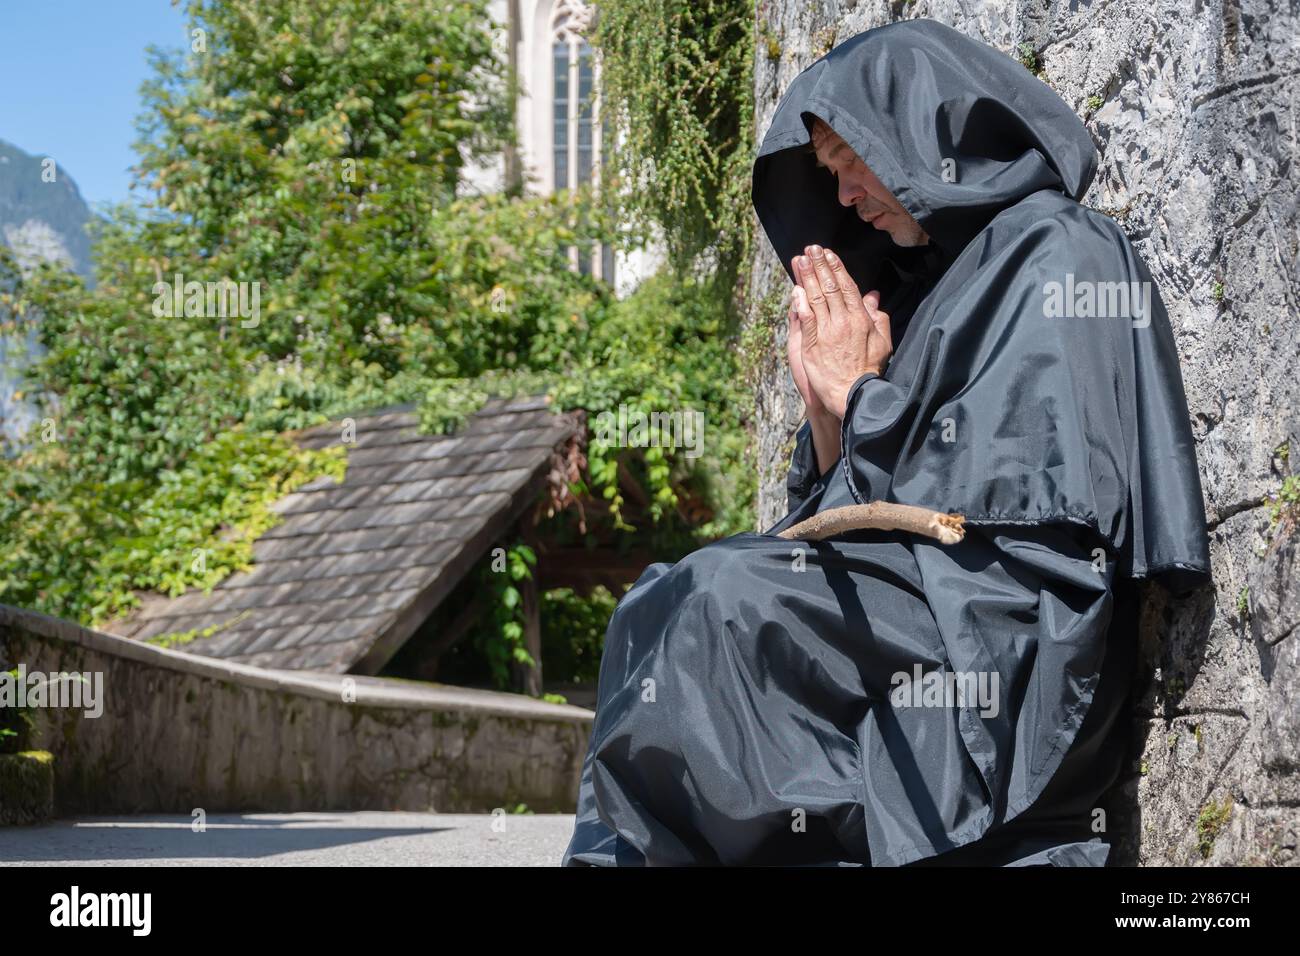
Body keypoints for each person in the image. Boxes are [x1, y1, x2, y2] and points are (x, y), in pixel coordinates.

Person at [561, 18, 1210, 867]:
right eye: (828, 176)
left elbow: (1015, 504)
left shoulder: (1057, 249)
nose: (843, 199)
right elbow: (872, 508)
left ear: (917, 133)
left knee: (720, 601)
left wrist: (857, 394)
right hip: (918, 598)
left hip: (1006, 626)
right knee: (655, 603)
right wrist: (830, 419)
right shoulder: (924, 290)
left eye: (850, 161)